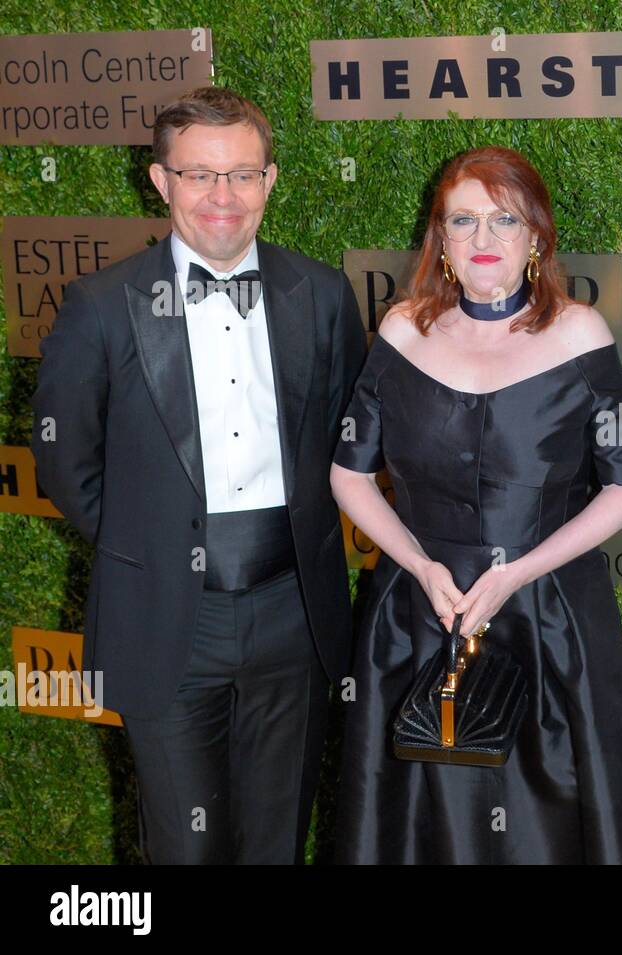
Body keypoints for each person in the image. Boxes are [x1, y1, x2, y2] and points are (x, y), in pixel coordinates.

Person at [30, 87, 367, 864]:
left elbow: (349, 436)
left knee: (275, 845)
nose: (224, 197)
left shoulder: (318, 294)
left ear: (271, 181)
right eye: (200, 175)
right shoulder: (101, 305)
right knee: (184, 849)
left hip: (295, 613)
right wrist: (149, 547)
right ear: (162, 182)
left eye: (243, 175)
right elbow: (64, 461)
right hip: (167, 619)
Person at [330, 146, 622, 864]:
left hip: (550, 626)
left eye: (504, 221)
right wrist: (418, 566)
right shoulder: (400, 331)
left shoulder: (581, 334)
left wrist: (516, 574)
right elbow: (348, 476)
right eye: (463, 220)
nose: (483, 240)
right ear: (440, 239)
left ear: (536, 238)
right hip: (418, 620)